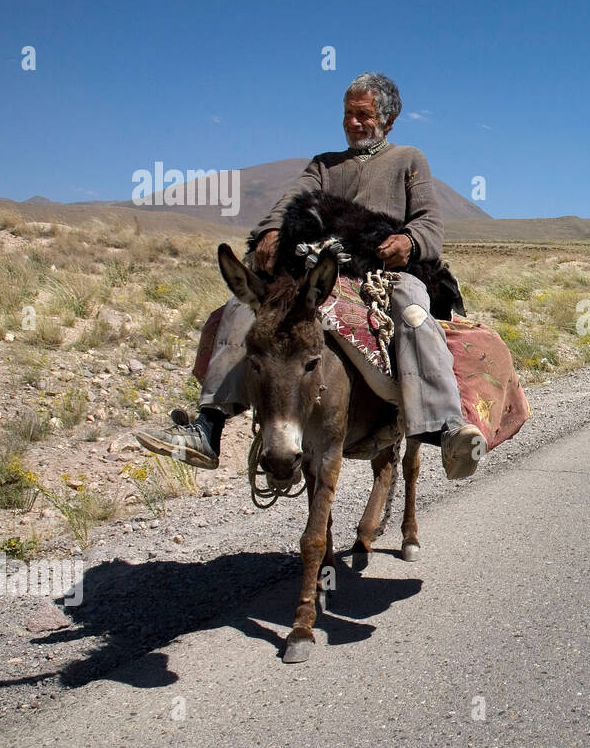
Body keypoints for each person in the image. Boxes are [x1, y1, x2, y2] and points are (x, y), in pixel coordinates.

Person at [136, 72, 485, 479]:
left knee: (413, 312)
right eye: (347, 114)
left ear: (388, 120)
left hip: (380, 272)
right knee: (241, 307)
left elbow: (429, 222)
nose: (353, 122)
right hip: (314, 268)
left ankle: (445, 426)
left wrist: (408, 241)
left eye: (363, 114)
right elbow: (290, 202)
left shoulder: (409, 160)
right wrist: (269, 232)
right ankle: (208, 426)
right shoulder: (323, 164)